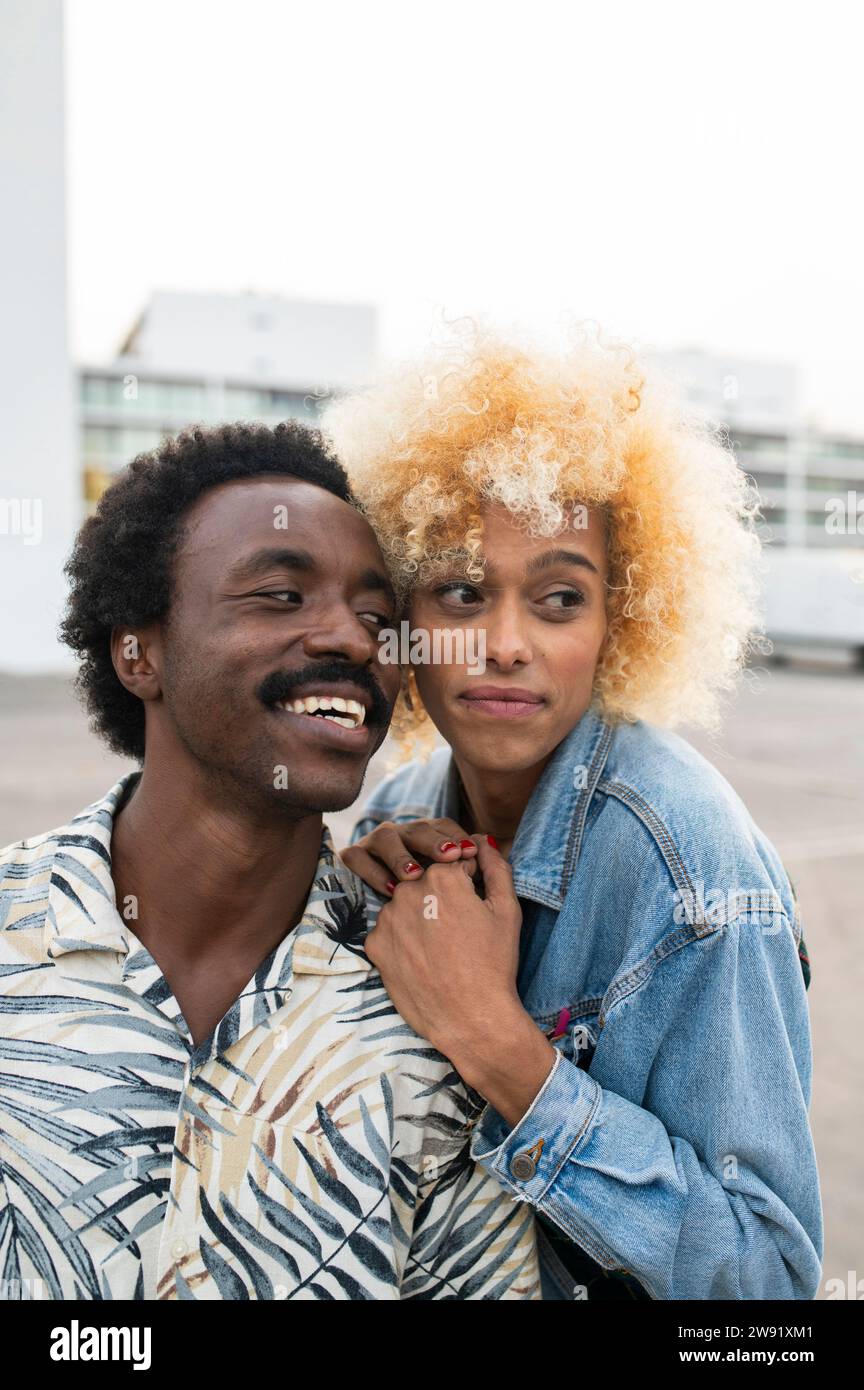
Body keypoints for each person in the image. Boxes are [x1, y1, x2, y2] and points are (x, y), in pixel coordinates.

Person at [326, 323, 823, 1301]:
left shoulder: (694, 874)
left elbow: (767, 1287)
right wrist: (332, 944)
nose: (505, 642)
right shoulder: (389, 816)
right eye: (463, 591)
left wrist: (498, 1044)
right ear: (402, 618)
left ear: (623, 620)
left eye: (559, 597)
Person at [0, 421, 540, 1301]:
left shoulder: (431, 1002)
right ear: (139, 651)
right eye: (282, 596)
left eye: (376, 616)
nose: (356, 641)